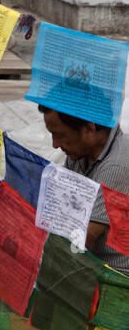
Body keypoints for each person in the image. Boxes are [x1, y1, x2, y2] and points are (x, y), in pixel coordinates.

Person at [38, 105, 129, 272]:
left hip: (118, 277)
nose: (54, 145)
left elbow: (78, 243)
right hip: (93, 263)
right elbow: (62, 215)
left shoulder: (117, 166)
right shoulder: (80, 153)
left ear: (89, 127)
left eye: (60, 135)